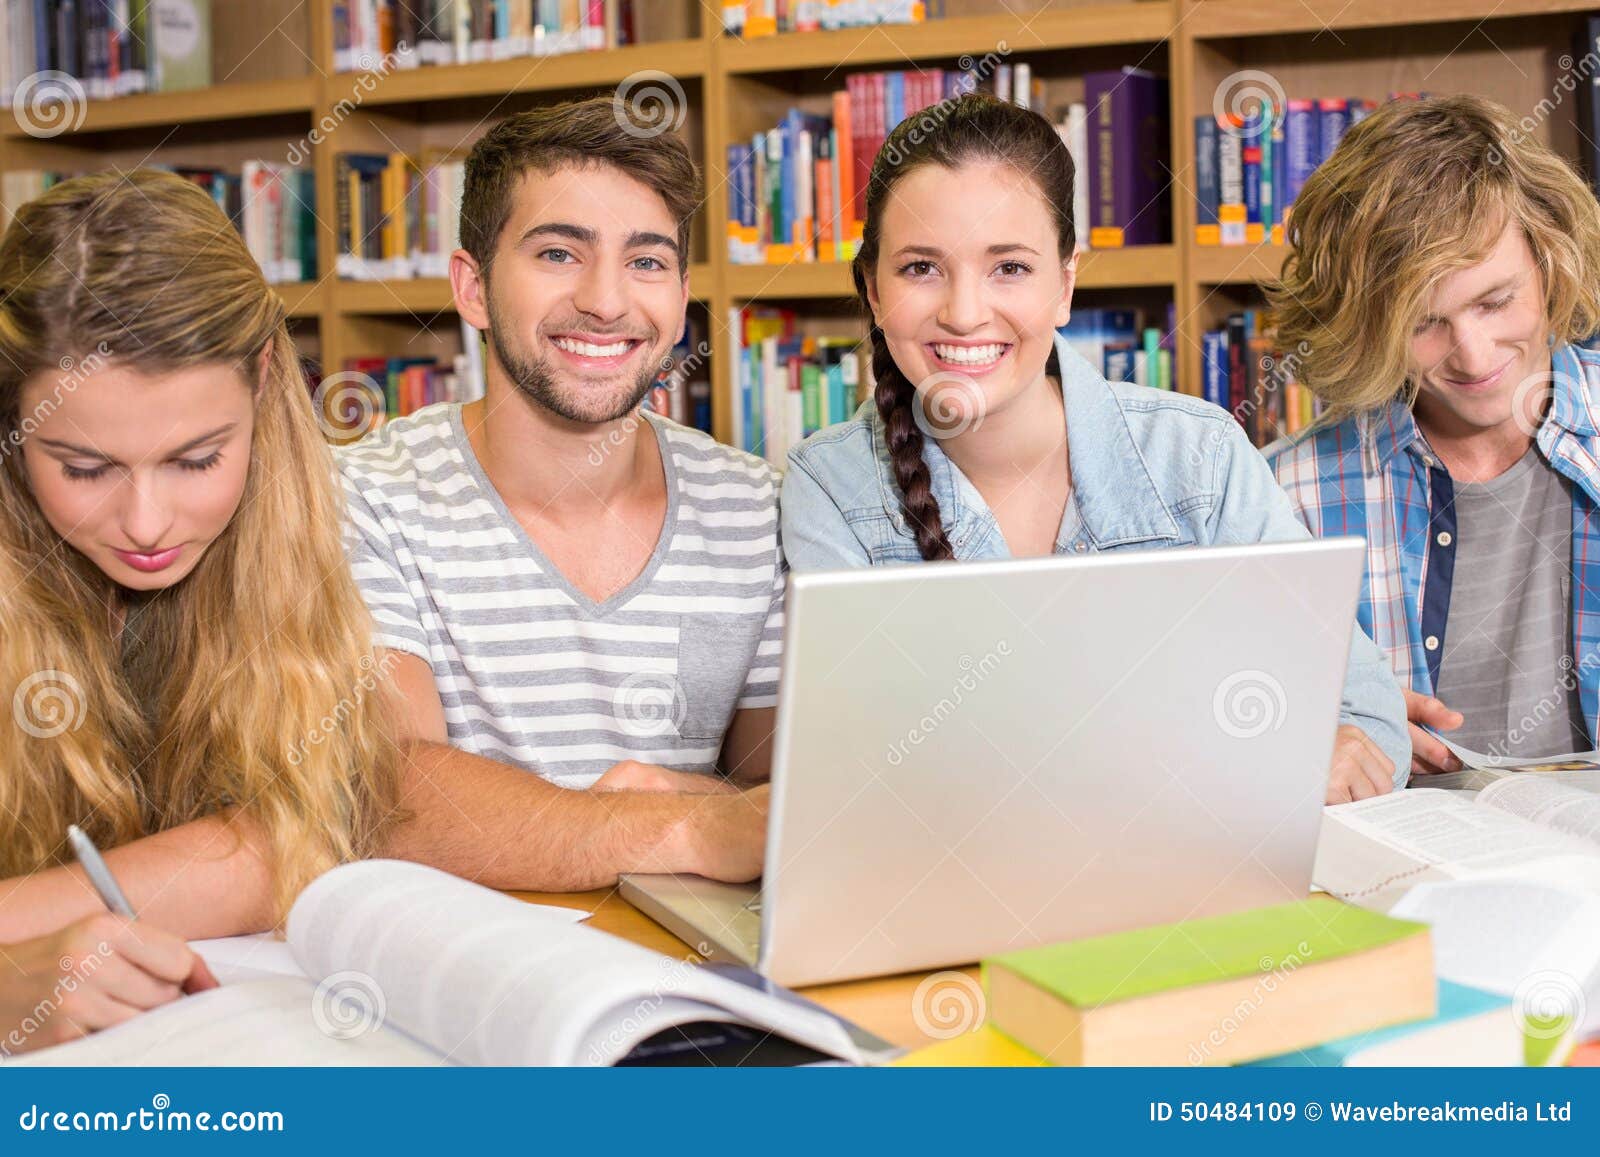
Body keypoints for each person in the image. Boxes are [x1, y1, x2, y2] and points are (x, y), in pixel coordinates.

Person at [779, 94, 1409, 802]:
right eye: (920, 268)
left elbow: (1366, 714)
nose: (963, 312)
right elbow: (861, 781)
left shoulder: (1199, 457)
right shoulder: (828, 486)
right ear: (872, 289)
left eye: (1009, 267)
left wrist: (1331, 751)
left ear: (1066, 283)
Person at [339, 97, 775, 890]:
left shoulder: (755, 507)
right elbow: (392, 793)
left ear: (681, 300)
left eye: (647, 261)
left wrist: (718, 815)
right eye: (558, 254)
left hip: (694, 972)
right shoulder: (368, 498)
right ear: (472, 289)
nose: (606, 301)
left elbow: (795, 803)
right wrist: (691, 822)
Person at [0, 171, 402, 970]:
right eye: (84, 468)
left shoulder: (317, 533)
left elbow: (289, 838)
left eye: (196, 460)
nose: (146, 523)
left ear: (260, 380)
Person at [1266, 95, 1600, 775]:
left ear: (1550, 255)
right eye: (1425, 324)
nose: (1474, 357)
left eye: (1495, 300)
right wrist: (1322, 732)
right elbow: (1229, 720)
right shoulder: (1284, 496)